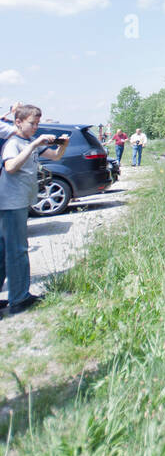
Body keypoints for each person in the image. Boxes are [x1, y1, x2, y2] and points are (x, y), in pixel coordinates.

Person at [0, 104, 69, 315]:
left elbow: (56, 156)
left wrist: (63, 145)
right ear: (17, 122)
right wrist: (34, 144)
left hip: (19, 202)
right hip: (11, 203)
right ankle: (19, 298)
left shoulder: (30, 141)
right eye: (32, 123)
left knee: (4, 252)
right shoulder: (14, 143)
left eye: (38, 124)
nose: (36, 127)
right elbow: (10, 167)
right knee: (17, 251)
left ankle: (13, 297)